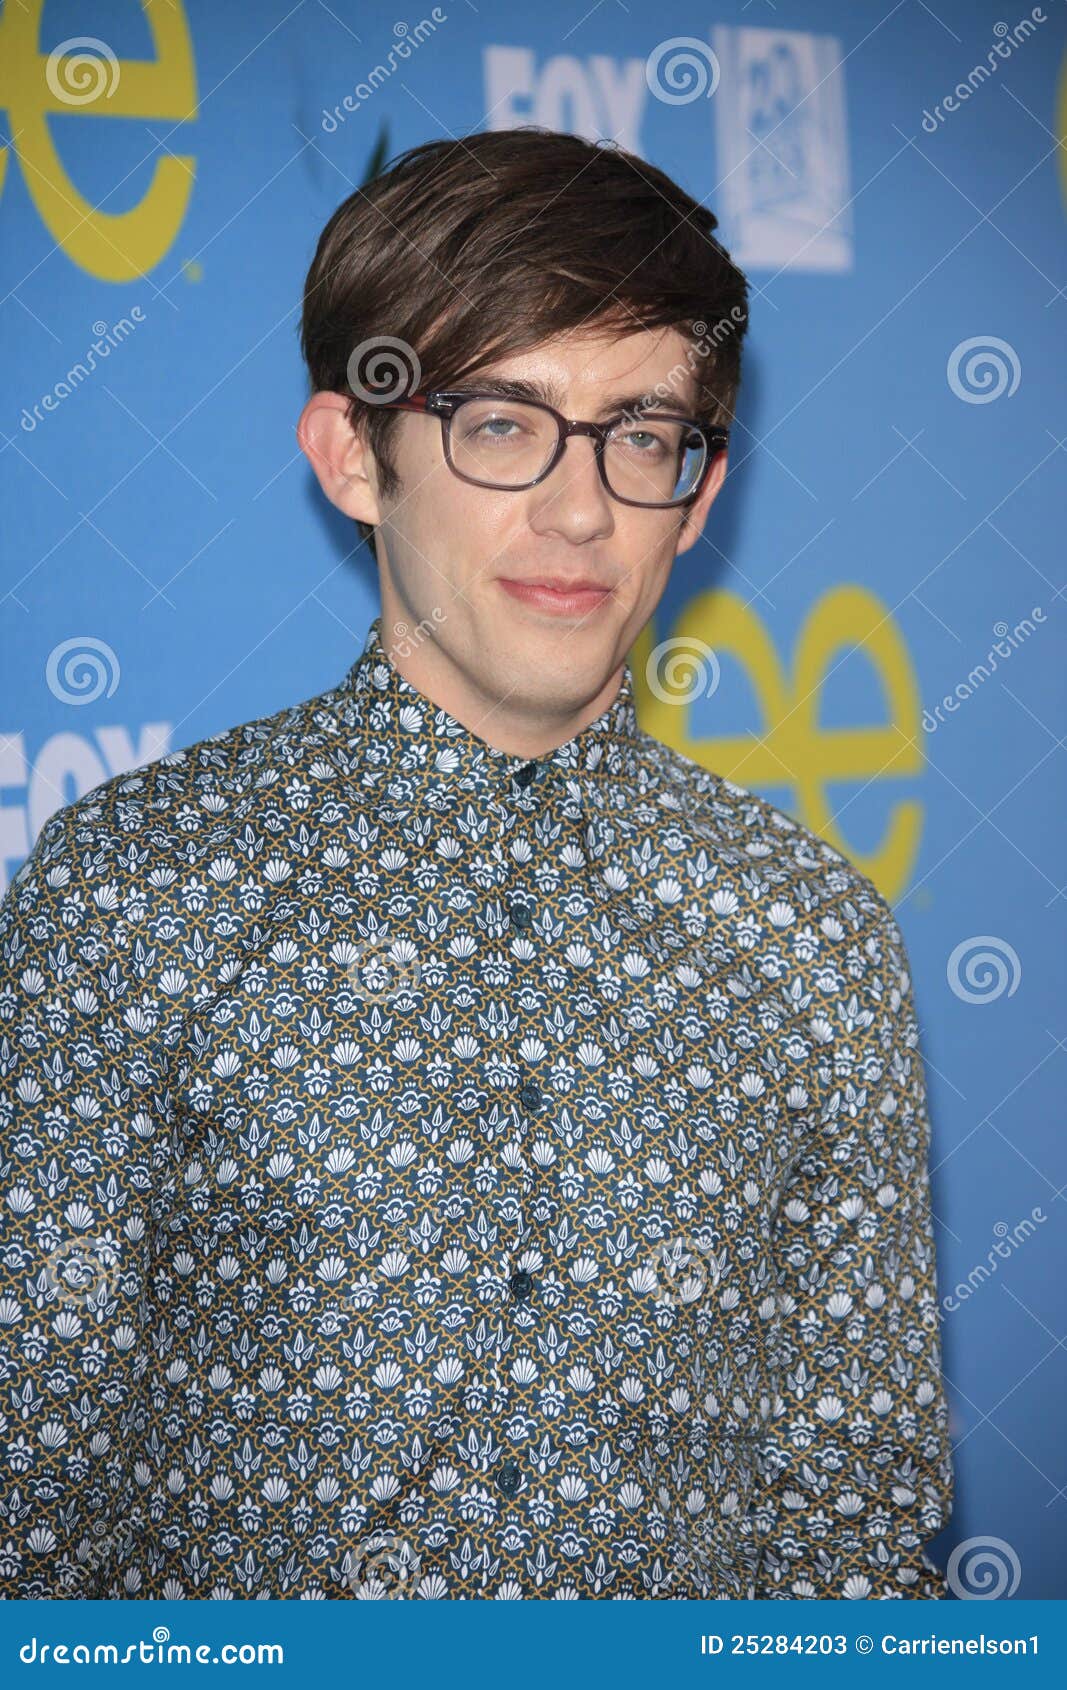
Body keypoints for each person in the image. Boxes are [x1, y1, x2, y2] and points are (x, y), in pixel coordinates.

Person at [0, 128, 952, 1600]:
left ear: (699, 499)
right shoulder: (134, 884)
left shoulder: (814, 936)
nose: (581, 509)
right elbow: (32, 1485)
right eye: (502, 423)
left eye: (642, 433)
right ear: (352, 454)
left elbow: (854, 1522)